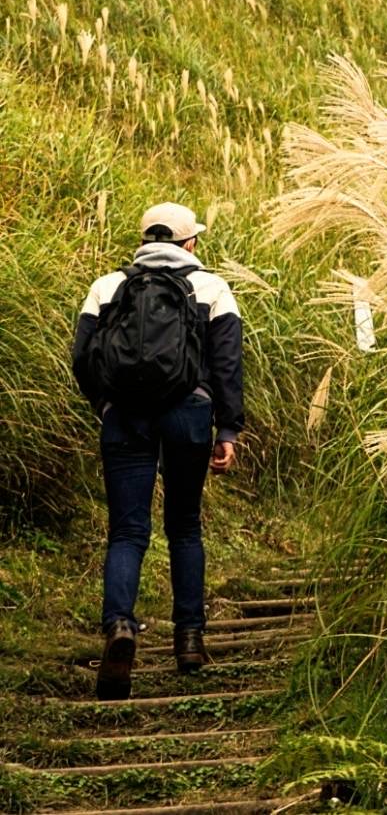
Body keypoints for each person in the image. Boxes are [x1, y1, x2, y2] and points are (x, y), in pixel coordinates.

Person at [71, 203, 244, 700]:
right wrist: (227, 429)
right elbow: (228, 364)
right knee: (184, 525)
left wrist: (105, 406)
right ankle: (189, 639)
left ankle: (120, 629)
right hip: (189, 414)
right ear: (190, 243)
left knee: (127, 530)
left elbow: (83, 359)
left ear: (144, 239)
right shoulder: (211, 288)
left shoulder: (108, 286)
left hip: (126, 415)